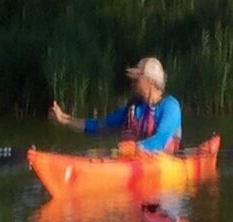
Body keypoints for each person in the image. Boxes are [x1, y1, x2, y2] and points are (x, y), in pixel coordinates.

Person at [50, 56, 183, 152]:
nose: (132, 83)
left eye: (137, 79)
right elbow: (98, 127)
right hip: (132, 162)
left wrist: (132, 148)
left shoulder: (170, 107)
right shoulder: (132, 107)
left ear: (151, 81)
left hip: (164, 166)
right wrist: (64, 119)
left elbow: (160, 141)